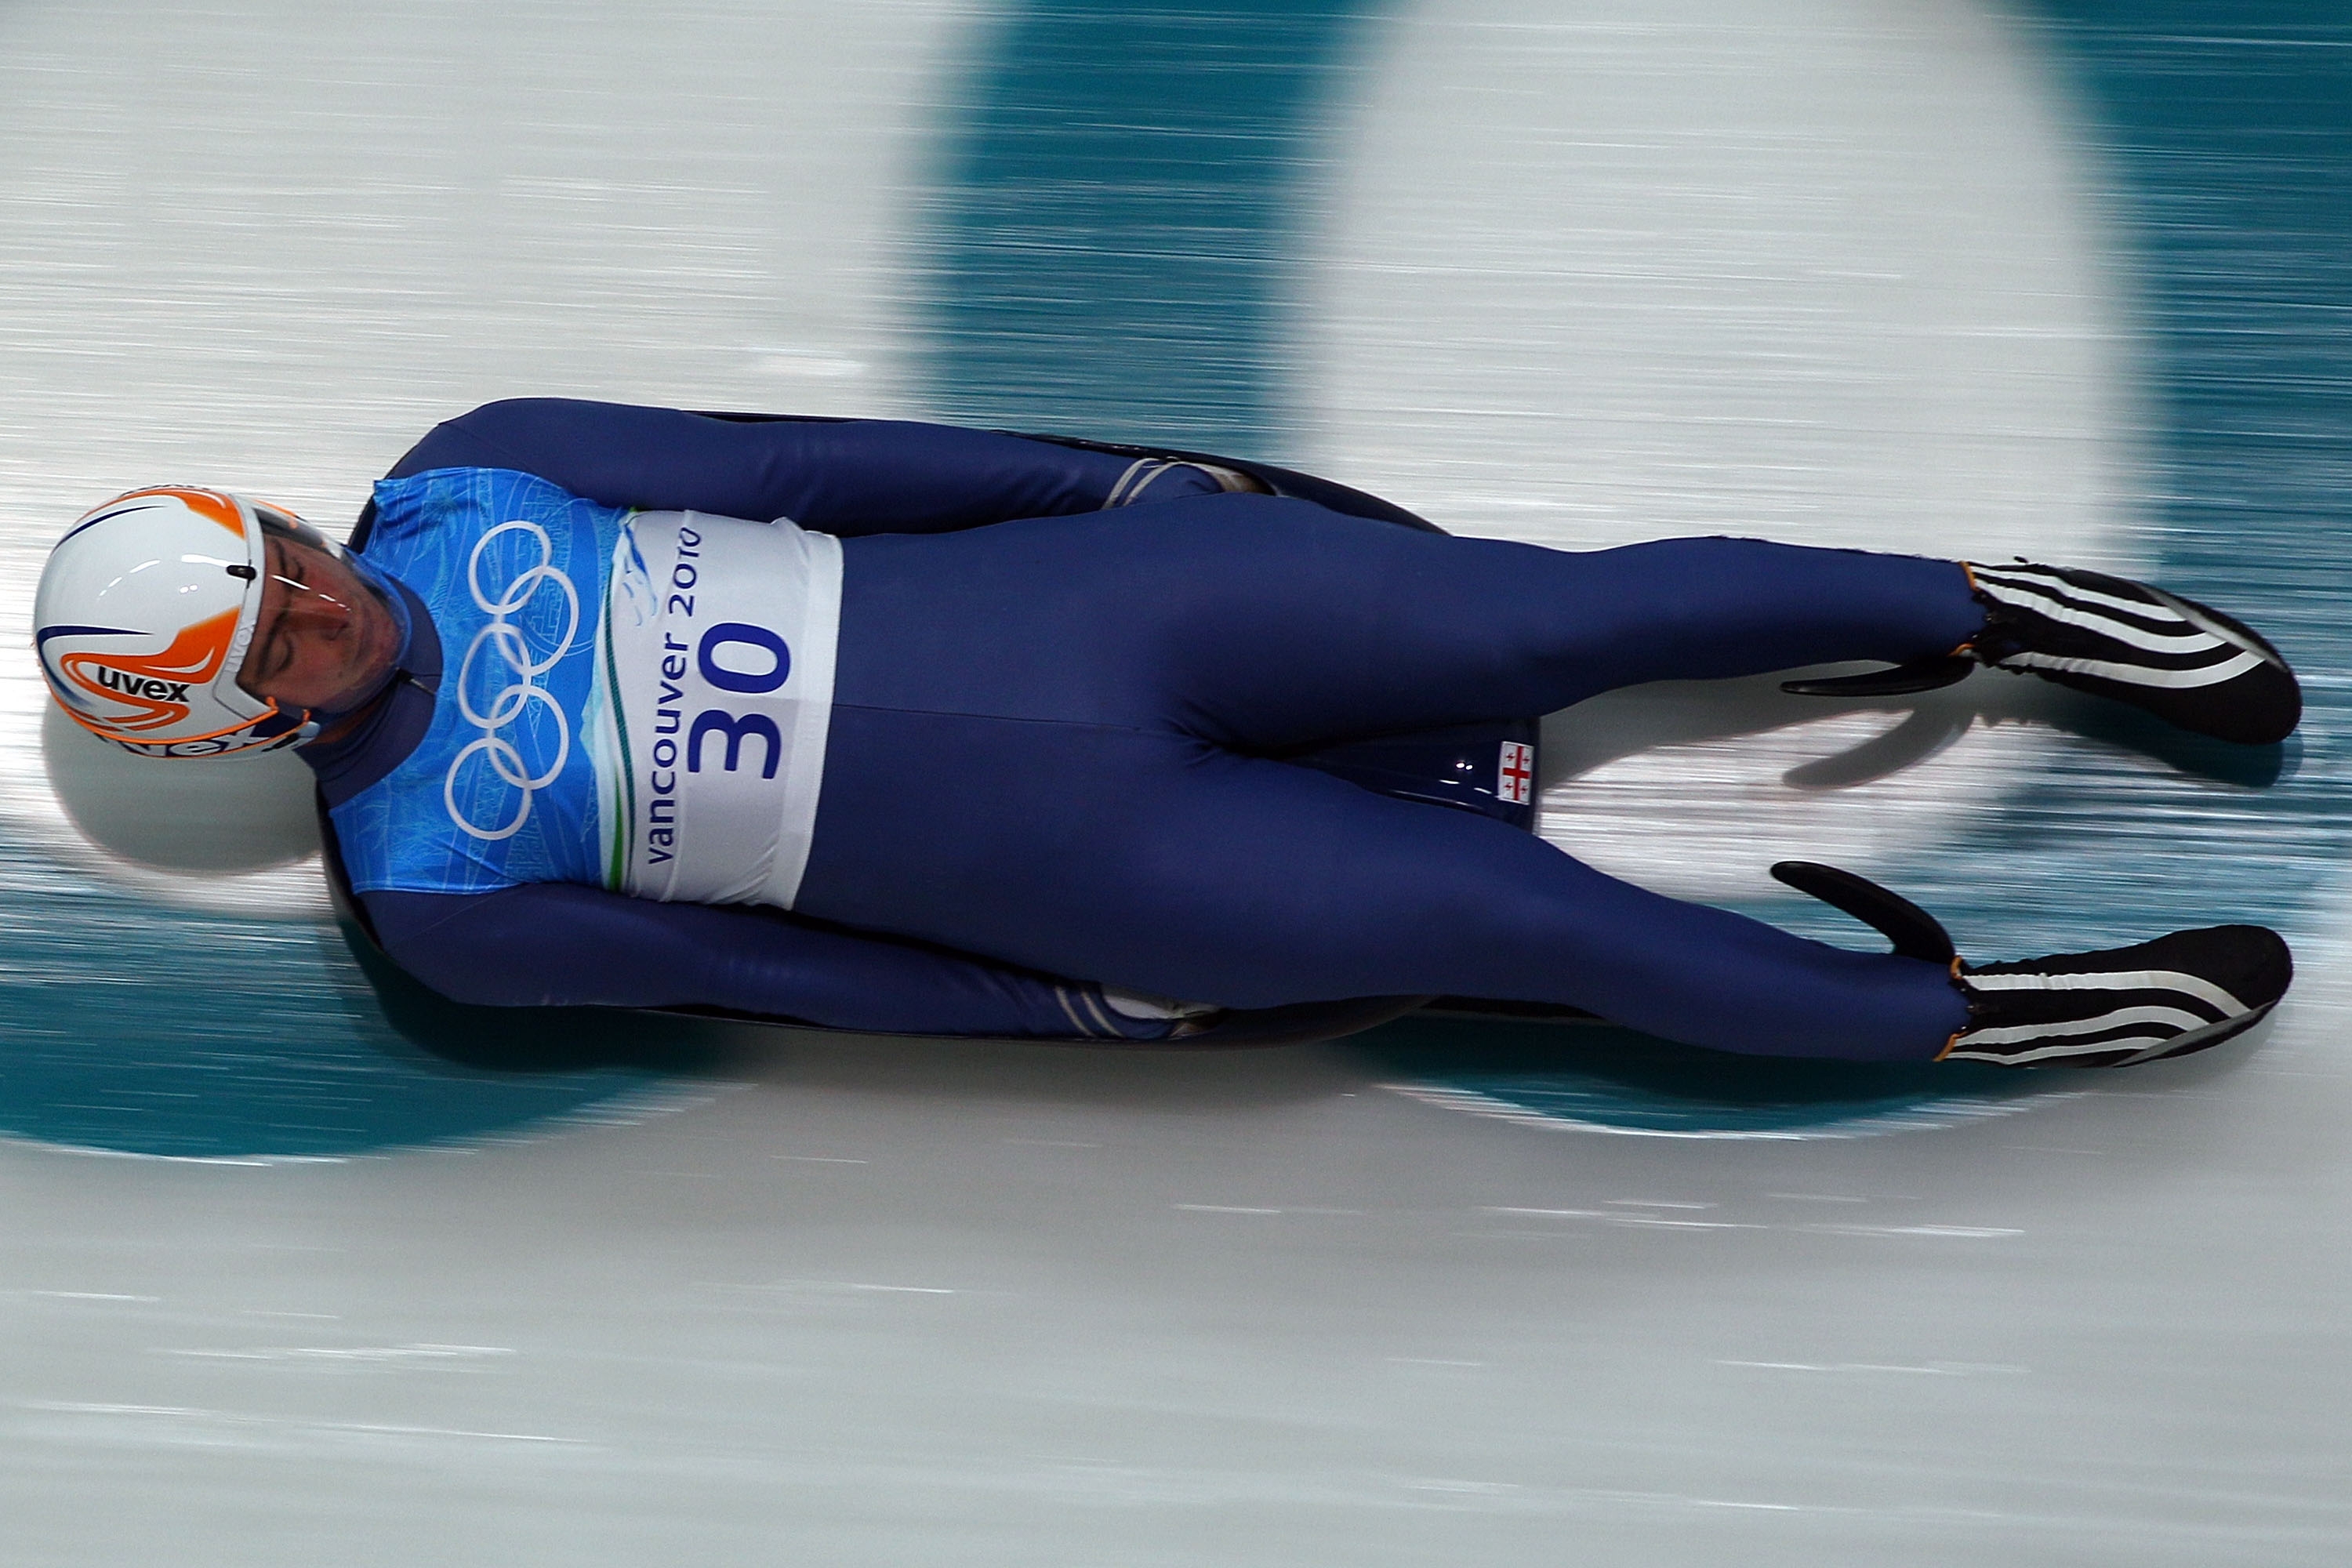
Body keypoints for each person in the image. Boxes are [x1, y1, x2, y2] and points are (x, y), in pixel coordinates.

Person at [32, 399, 2300, 1067]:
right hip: (1087, 876)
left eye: (288, 552)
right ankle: (1978, 1020)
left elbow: (816, 469)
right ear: (239, 724)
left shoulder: (474, 468)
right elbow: (778, 979)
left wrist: (1106, 486)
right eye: (284, 636)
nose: (330, 594)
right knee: (1541, 934)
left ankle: (1999, 609)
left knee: (1561, 614)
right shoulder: (436, 905)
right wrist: (1071, 1012)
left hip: (1113, 606)